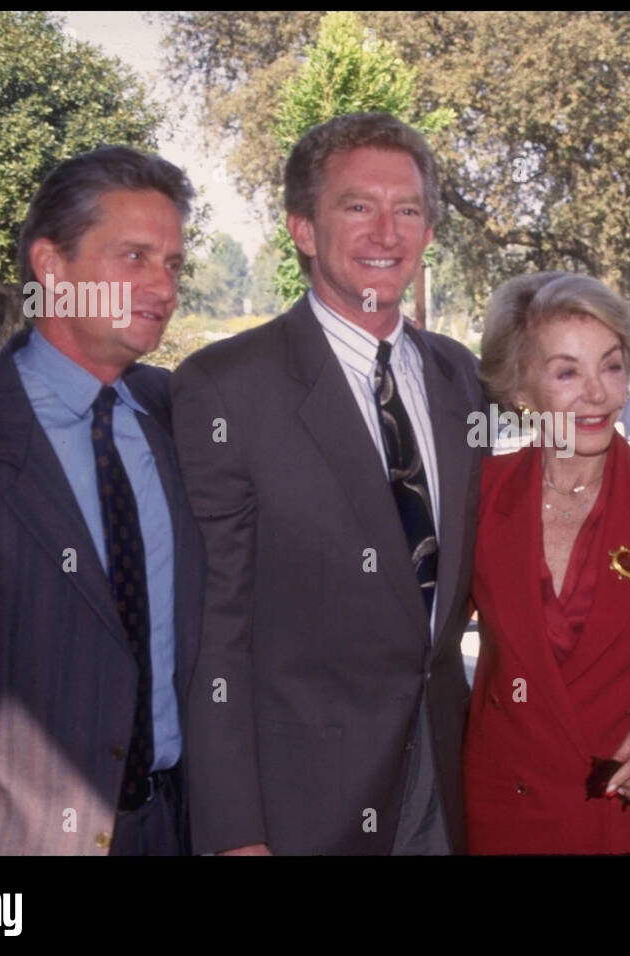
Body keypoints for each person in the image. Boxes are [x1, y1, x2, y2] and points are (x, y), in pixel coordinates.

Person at [172, 112, 485, 855]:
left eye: (407, 209)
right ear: (304, 230)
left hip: (448, 783)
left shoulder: (459, 375)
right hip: (301, 812)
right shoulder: (227, 388)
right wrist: (234, 833)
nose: (387, 232)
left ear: (429, 233)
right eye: (357, 206)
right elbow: (215, 633)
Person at [0, 146, 204, 855]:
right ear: (51, 266)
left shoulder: (180, 415)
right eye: (134, 257)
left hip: (173, 828)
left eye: (173, 263)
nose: (162, 285)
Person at [464, 272, 630, 853]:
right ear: (520, 388)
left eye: (611, 367)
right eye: (567, 372)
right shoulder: (478, 499)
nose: (599, 393)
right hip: (506, 818)